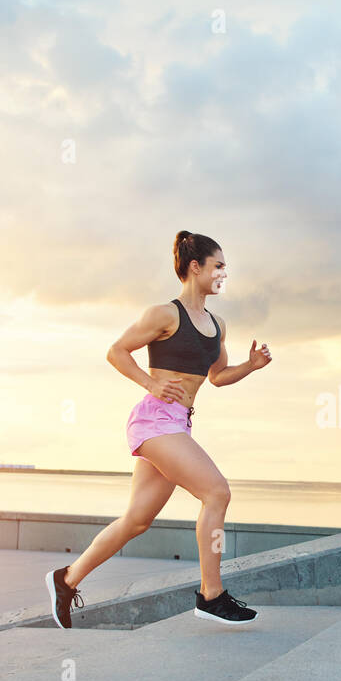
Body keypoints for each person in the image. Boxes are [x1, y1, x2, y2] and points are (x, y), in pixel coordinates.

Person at [46, 230, 272, 628]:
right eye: (218, 266)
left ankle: (66, 580)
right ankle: (211, 594)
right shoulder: (164, 314)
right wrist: (150, 383)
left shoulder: (218, 324)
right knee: (217, 492)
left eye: (226, 267)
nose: (223, 273)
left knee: (136, 520)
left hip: (178, 426)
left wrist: (250, 367)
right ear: (195, 267)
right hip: (153, 420)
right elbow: (116, 351)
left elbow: (217, 376)